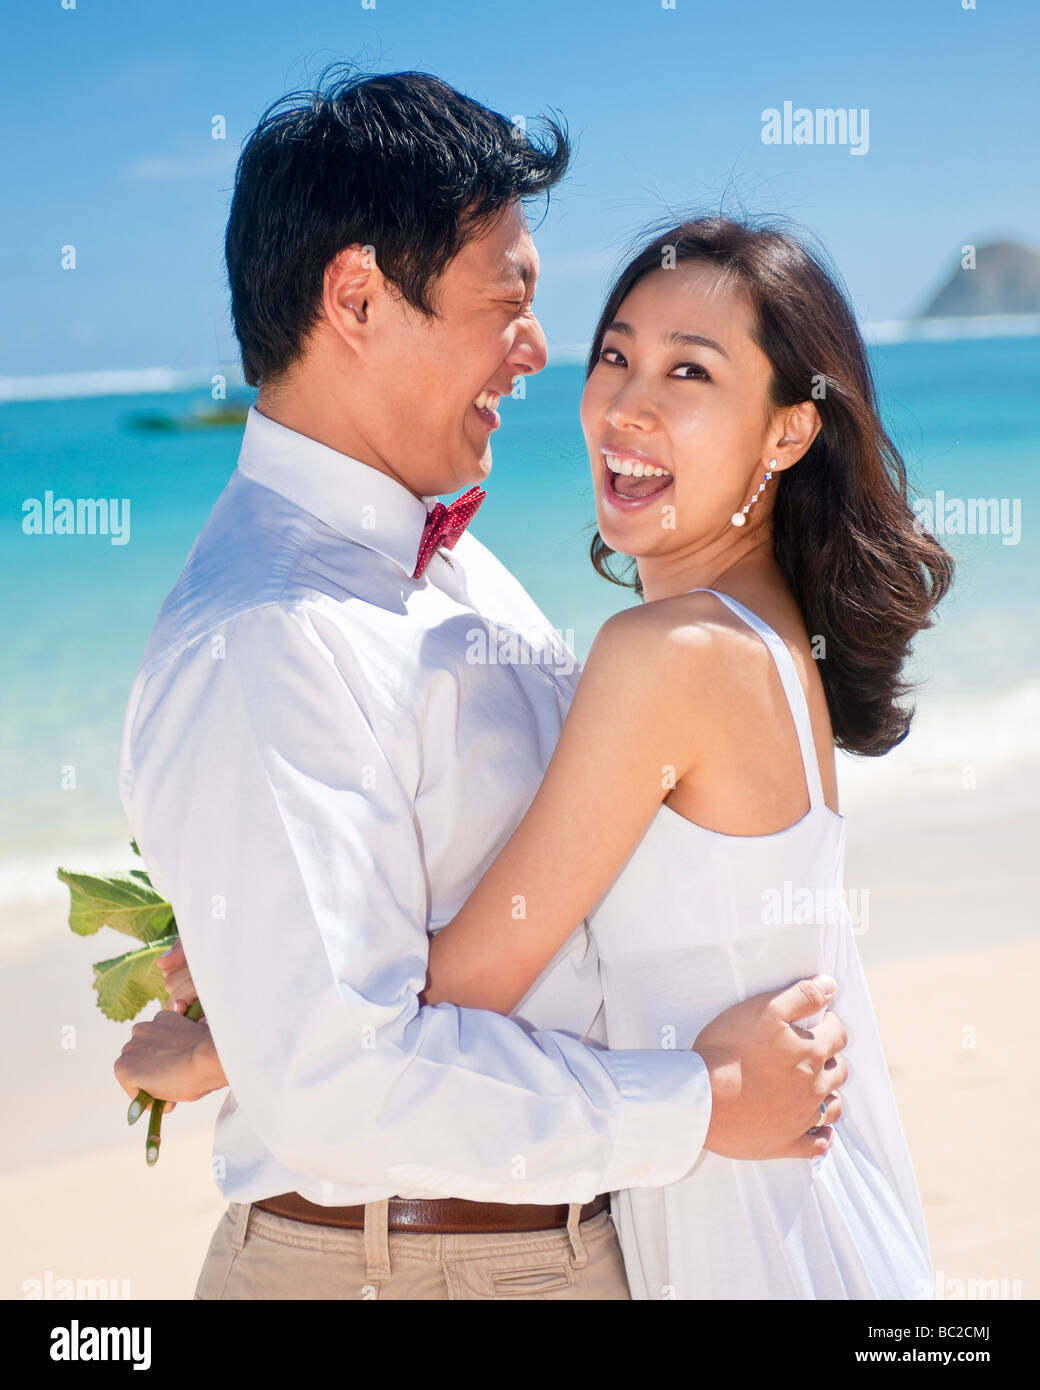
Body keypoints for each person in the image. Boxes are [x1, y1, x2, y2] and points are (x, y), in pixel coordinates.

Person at [114, 68, 850, 1302]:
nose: (541, 351)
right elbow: (341, 1085)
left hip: (539, 1247)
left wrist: (242, 1021)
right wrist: (704, 1099)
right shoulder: (262, 635)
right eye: (505, 299)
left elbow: (504, 937)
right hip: (395, 1265)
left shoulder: (459, 570)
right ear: (355, 297)